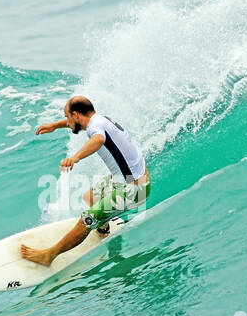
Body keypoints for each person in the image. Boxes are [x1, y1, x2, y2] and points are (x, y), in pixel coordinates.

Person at [19, 95, 151, 266]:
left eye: (67, 117)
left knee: (86, 220)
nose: (66, 121)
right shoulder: (99, 120)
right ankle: (104, 227)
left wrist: (75, 158)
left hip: (134, 189)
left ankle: (48, 256)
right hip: (128, 178)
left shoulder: (95, 129)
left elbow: (98, 139)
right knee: (90, 197)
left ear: (76, 115)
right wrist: (54, 126)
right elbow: (83, 128)